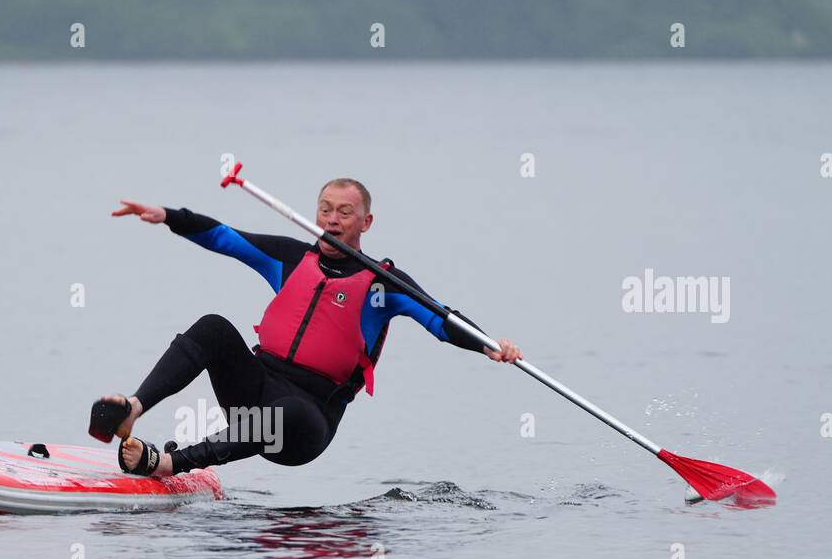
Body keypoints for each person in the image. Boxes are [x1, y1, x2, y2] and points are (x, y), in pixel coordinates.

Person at [90, 178, 522, 477]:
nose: (333, 219)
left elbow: (442, 319)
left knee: (290, 412)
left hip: (306, 425)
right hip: (254, 393)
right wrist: (167, 215)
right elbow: (223, 236)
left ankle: (171, 464)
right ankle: (134, 406)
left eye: (345, 212)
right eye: (326, 210)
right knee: (214, 328)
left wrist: (488, 345)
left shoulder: (382, 285)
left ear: (365, 222)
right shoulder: (291, 258)